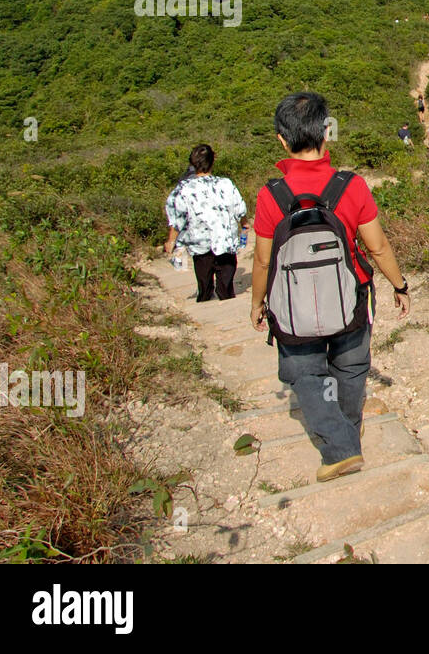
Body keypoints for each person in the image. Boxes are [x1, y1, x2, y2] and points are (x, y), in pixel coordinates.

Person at [249, 92, 411, 482]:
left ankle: (339, 447)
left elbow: (262, 259)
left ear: (282, 141)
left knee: (306, 373)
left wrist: (257, 303)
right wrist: (400, 285)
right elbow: (378, 246)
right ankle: (348, 433)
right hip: (351, 295)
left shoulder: (271, 195)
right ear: (326, 132)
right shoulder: (350, 185)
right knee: (351, 367)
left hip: (292, 303)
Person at [164, 144, 247, 302]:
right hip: (225, 242)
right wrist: (244, 224)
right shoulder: (226, 184)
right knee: (226, 289)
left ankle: (207, 305)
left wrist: (171, 240)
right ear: (212, 161)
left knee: (204, 287)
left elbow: (178, 218)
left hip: (200, 244)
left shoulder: (185, 188)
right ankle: (225, 312)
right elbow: (240, 208)